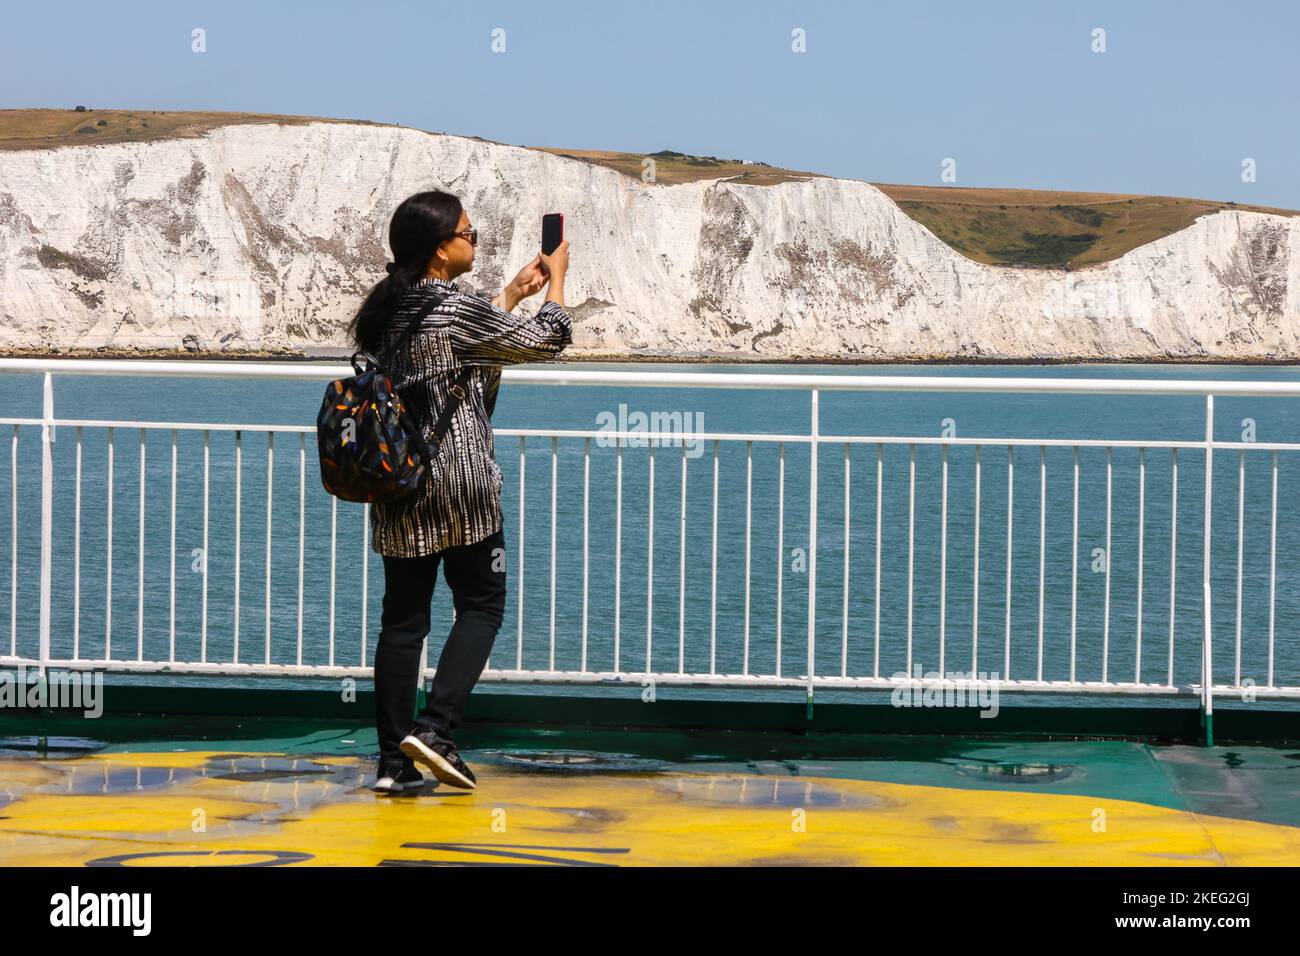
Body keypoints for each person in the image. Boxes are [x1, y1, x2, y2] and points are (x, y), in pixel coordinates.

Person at [347, 190, 572, 793]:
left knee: (403, 621)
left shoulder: (386, 311)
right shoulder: (453, 305)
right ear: (440, 250)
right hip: (461, 484)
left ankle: (393, 765)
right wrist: (555, 285)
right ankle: (439, 728)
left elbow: (455, 363)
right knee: (481, 604)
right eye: (469, 235)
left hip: (398, 483)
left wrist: (509, 297)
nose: (476, 241)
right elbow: (547, 340)